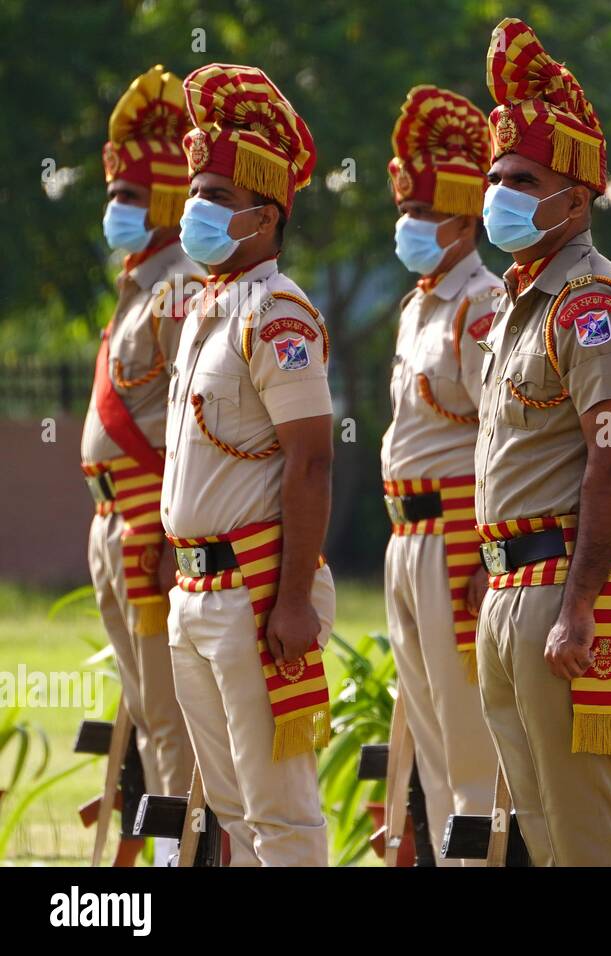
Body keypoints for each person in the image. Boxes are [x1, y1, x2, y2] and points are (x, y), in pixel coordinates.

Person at [472, 17, 611, 867]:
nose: (500, 191)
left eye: (523, 178)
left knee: (582, 828)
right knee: (540, 832)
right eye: (496, 175)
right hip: (512, 582)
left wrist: (581, 605)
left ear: (576, 198)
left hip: (564, 587)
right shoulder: (529, 303)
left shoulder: (591, 303)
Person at [162, 63, 334, 866]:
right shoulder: (206, 309)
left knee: (280, 810)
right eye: (195, 192)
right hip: (195, 592)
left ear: (264, 217)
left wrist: (295, 598)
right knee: (233, 807)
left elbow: (310, 464)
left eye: (217, 199)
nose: (195, 209)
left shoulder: (278, 313)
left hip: (256, 588)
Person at [381, 84, 501, 856]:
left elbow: (500, 437)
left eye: (425, 215)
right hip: (406, 535)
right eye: (407, 211)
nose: (409, 228)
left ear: (463, 220)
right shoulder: (419, 304)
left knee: (469, 739)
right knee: (426, 729)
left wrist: (491, 551)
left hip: (458, 532)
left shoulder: (481, 305)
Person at [83, 63, 198, 864]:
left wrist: (162, 536)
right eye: (114, 195)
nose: (117, 211)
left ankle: (180, 856)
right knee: (143, 703)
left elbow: (188, 427)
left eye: (132, 197)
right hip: (108, 519)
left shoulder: (183, 289)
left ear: (163, 201)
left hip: (147, 528)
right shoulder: (136, 287)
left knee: (168, 711)